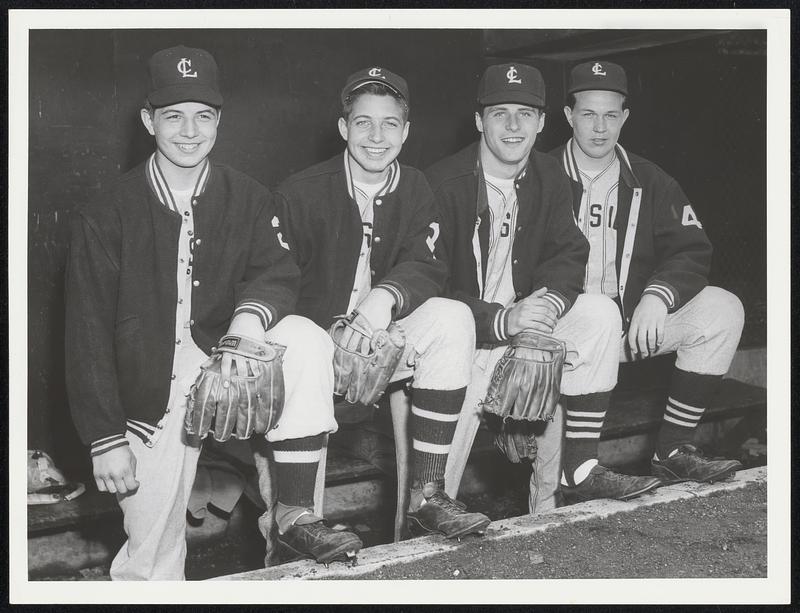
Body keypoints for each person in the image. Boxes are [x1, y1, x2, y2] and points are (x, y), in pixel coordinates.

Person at [65, 45, 360, 579]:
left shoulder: (245, 195)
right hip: (148, 396)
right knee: (152, 553)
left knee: (307, 339)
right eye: (173, 116)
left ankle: (293, 511)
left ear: (219, 121)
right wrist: (105, 439)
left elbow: (277, 271)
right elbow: (84, 335)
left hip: (230, 363)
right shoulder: (108, 211)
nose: (189, 130)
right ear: (148, 120)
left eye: (203, 116)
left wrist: (247, 324)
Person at [427, 63, 662, 512]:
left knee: (597, 314)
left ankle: (579, 468)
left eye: (526, 113)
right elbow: (427, 288)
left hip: (521, 331)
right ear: (479, 121)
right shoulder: (443, 183)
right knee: (435, 492)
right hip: (461, 337)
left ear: (542, 122)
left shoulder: (548, 173)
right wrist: (502, 321)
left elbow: (569, 252)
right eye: (500, 113)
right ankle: (424, 526)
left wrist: (549, 307)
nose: (514, 125)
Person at [272, 66, 491, 539]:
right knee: (287, 525)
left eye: (390, 123)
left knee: (452, 317)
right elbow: (275, 281)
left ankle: (426, 495)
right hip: (312, 355)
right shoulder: (300, 191)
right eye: (363, 122)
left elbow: (428, 265)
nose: (377, 136)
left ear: (406, 131)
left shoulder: (414, 186)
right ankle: (292, 524)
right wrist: (330, 331)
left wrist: (383, 299)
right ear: (342, 128)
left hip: (381, 347)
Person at [552, 60, 744, 485]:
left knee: (722, 308)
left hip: (626, 329)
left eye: (611, 115)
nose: (600, 128)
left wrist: (658, 296)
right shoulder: (539, 176)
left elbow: (692, 249)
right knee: (596, 311)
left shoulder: (650, 178)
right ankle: (577, 472)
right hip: (561, 333)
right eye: (588, 114)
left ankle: (672, 450)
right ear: (568, 116)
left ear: (625, 118)